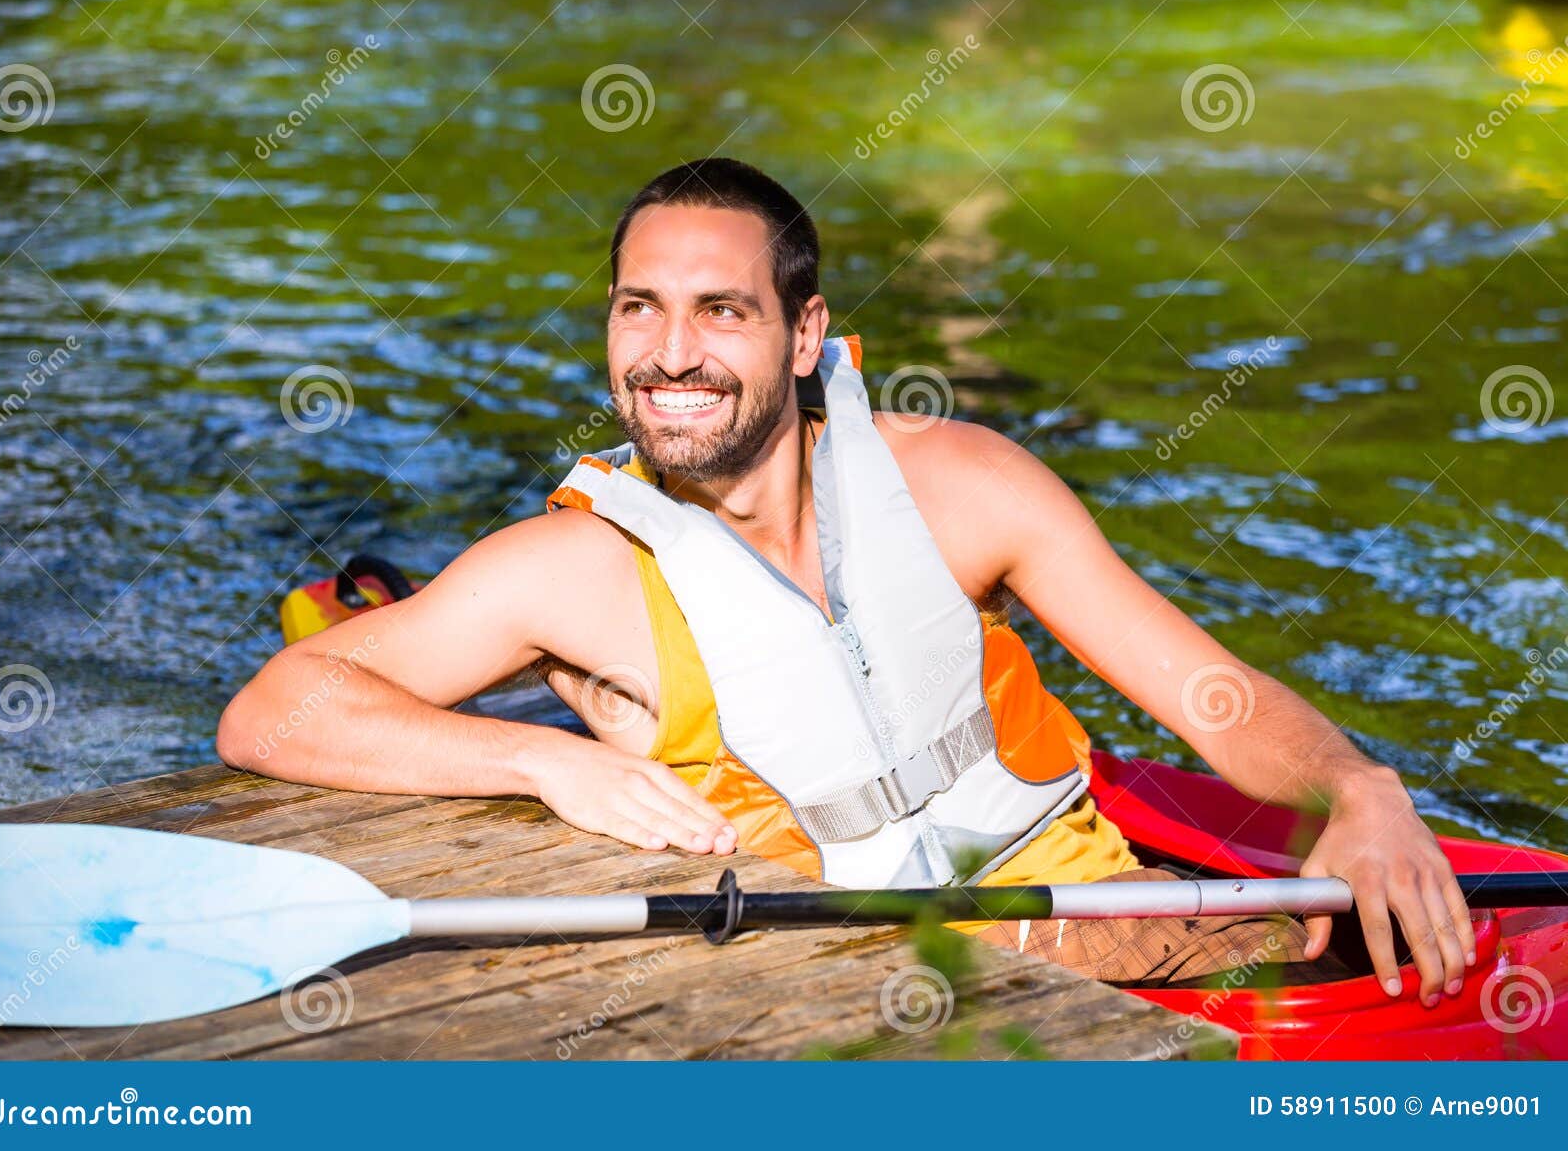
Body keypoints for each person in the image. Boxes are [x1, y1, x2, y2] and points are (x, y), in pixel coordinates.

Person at [219, 157, 1473, 1002]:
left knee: (1358, 953)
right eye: (635, 310)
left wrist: (1360, 790)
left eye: (721, 311)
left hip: (1088, 902)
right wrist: (539, 759)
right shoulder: (570, 572)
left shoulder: (963, 483)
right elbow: (277, 709)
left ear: (804, 334)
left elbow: (1210, 696)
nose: (667, 356)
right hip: (845, 970)